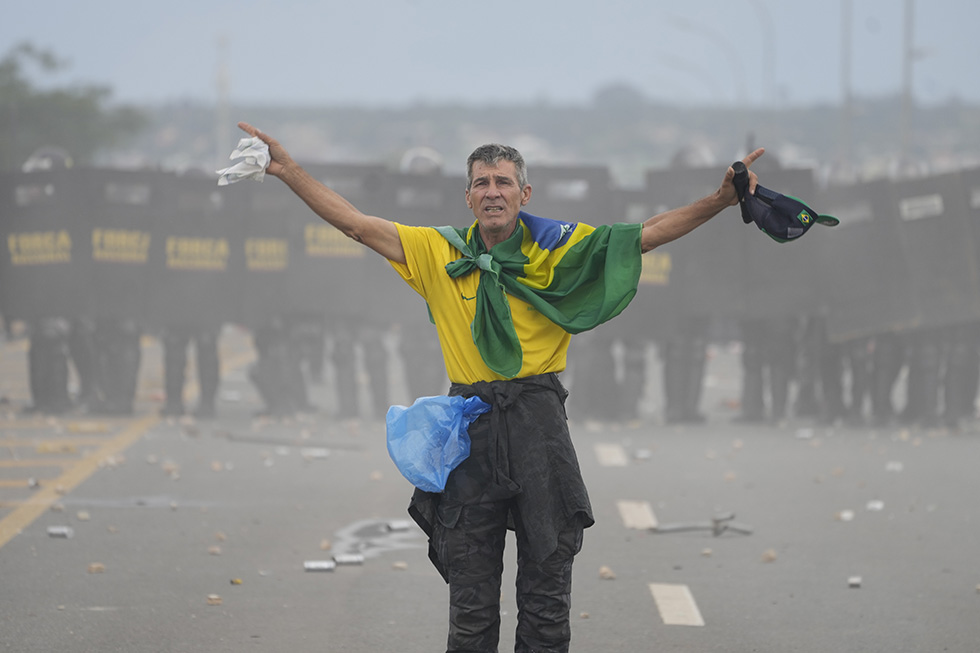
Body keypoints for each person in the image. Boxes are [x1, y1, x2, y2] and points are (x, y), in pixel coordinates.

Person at [236, 120, 763, 653]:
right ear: (467, 197)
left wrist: (719, 201)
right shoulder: (437, 252)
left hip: (538, 426)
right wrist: (288, 171)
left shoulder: (558, 248)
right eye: (482, 183)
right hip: (470, 429)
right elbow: (354, 224)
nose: (493, 192)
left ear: (524, 193)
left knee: (547, 596)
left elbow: (647, 233)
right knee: (471, 603)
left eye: (504, 182)